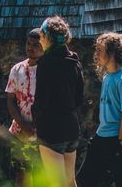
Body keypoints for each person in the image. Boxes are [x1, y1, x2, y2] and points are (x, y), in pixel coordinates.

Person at [77, 32, 122, 187]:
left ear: (112, 53)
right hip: (102, 135)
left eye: (100, 51)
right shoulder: (107, 77)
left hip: (119, 137)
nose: (97, 55)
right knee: (84, 179)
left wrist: (121, 142)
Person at [33, 16, 84, 187]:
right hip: (71, 127)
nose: (39, 39)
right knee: (70, 182)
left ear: (47, 38)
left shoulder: (46, 64)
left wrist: (36, 122)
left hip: (51, 129)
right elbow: (79, 98)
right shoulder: (75, 62)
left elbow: (41, 101)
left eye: (41, 35)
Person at [6, 28, 44, 185]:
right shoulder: (17, 69)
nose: (31, 48)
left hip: (43, 134)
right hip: (19, 132)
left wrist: (35, 128)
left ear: (43, 46)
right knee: (21, 177)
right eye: (28, 44)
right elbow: (10, 100)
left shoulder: (47, 70)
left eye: (36, 45)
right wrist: (23, 124)